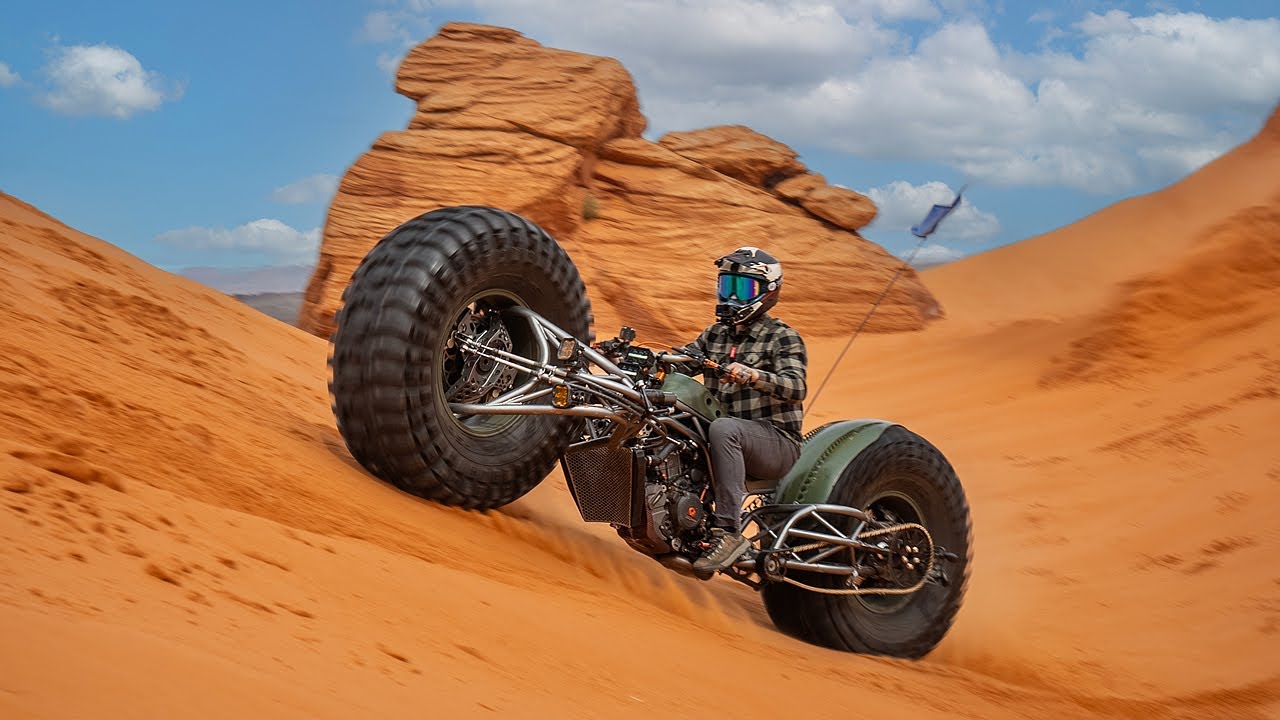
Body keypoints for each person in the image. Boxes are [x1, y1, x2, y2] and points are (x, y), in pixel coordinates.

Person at [676, 247, 807, 573]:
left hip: (776, 442)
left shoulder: (782, 337)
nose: (732, 296)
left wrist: (755, 376)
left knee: (724, 429)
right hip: (728, 431)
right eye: (727, 286)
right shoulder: (715, 334)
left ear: (768, 292)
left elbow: (796, 386)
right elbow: (681, 361)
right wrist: (643, 358)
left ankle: (729, 531)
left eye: (743, 289)